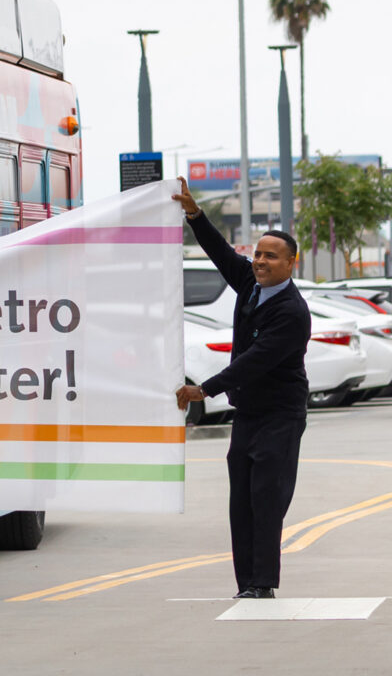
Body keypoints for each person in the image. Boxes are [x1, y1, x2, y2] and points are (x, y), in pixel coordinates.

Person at [174, 178, 311, 600]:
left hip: (280, 416)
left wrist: (205, 389)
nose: (261, 262)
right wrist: (195, 216)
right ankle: (246, 584)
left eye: (272, 256)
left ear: (292, 263)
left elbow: (256, 361)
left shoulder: (292, 311)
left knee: (266, 499)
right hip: (249, 414)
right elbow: (220, 254)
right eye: (258, 254)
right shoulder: (251, 287)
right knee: (242, 502)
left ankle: (263, 583)